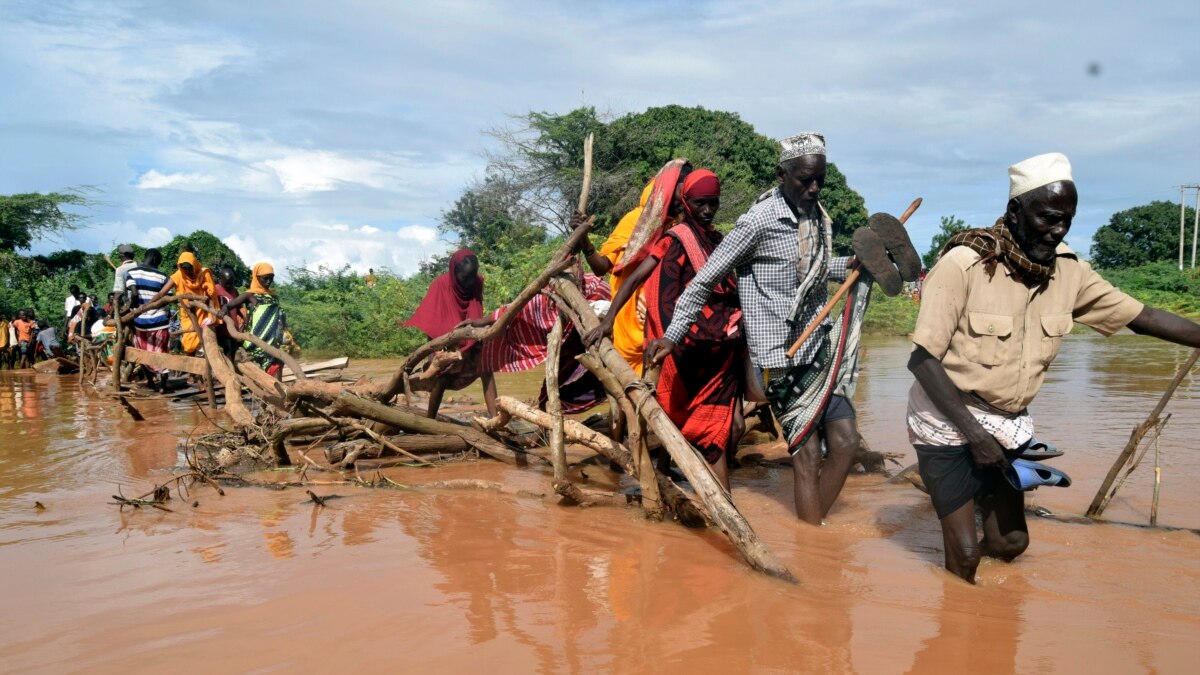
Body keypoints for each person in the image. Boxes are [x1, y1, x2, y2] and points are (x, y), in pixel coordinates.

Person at [907, 153, 1200, 584]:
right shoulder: (964, 265)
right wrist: (975, 436)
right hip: (947, 417)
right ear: (1015, 211)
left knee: (1010, 544)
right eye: (1048, 217)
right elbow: (922, 361)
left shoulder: (1069, 272)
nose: (1058, 229)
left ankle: (987, 620)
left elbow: (1145, 317)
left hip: (1007, 423)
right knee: (966, 556)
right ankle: (958, 616)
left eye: (1067, 219)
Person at [647, 133, 874, 524]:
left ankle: (814, 536)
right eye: (805, 179)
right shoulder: (757, 222)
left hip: (818, 348)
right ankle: (813, 544)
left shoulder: (816, 217)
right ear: (781, 174)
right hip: (780, 359)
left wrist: (853, 265)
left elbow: (815, 272)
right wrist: (672, 334)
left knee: (847, 443)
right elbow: (703, 281)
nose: (814, 187)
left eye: (820, 179)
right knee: (806, 456)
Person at [587, 169, 746, 488]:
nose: (708, 210)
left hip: (719, 352)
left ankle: (711, 504)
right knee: (680, 422)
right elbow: (634, 278)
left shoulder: (718, 240)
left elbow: (734, 287)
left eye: (713, 204)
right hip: (682, 347)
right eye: (701, 203)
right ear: (686, 202)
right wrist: (608, 320)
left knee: (723, 431)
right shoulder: (673, 239)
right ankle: (671, 483)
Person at [576, 159, 692, 376]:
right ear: (667, 189)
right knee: (628, 385)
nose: (684, 199)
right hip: (627, 318)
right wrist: (583, 238)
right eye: (680, 191)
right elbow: (602, 267)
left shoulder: (683, 227)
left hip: (664, 321)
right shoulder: (634, 221)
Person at [404, 249, 497, 418]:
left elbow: (475, 312)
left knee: (486, 368)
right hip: (446, 340)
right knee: (442, 377)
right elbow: (433, 321)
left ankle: (495, 418)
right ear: (454, 272)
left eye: (472, 277)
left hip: (470, 337)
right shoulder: (440, 285)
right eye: (465, 278)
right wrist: (435, 357)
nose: (469, 283)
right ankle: (430, 419)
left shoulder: (477, 283)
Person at [218, 263, 287, 377]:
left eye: (271, 278)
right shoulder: (249, 295)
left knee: (277, 364)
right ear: (256, 277)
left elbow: (278, 316)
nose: (268, 281)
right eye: (265, 278)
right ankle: (270, 391)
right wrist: (223, 310)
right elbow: (230, 305)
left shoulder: (273, 296)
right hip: (255, 341)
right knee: (262, 369)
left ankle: (277, 393)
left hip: (273, 340)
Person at [149, 251, 219, 356]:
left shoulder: (204, 273)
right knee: (189, 344)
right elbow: (162, 293)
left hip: (203, 312)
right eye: (184, 268)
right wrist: (148, 304)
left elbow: (212, 295)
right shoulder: (178, 275)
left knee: (204, 344)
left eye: (189, 267)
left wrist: (212, 313)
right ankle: (193, 370)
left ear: (194, 265)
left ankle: (203, 369)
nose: (187, 271)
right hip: (187, 314)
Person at [126, 248, 172, 388]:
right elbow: (168, 299)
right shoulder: (164, 277)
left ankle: (151, 382)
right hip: (159, 321)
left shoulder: (132, 273)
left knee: (142, 353)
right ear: (154, 260)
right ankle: (163, 385)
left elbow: (133, 295)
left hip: (140, 322)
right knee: (162, 353)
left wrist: (133, 309)